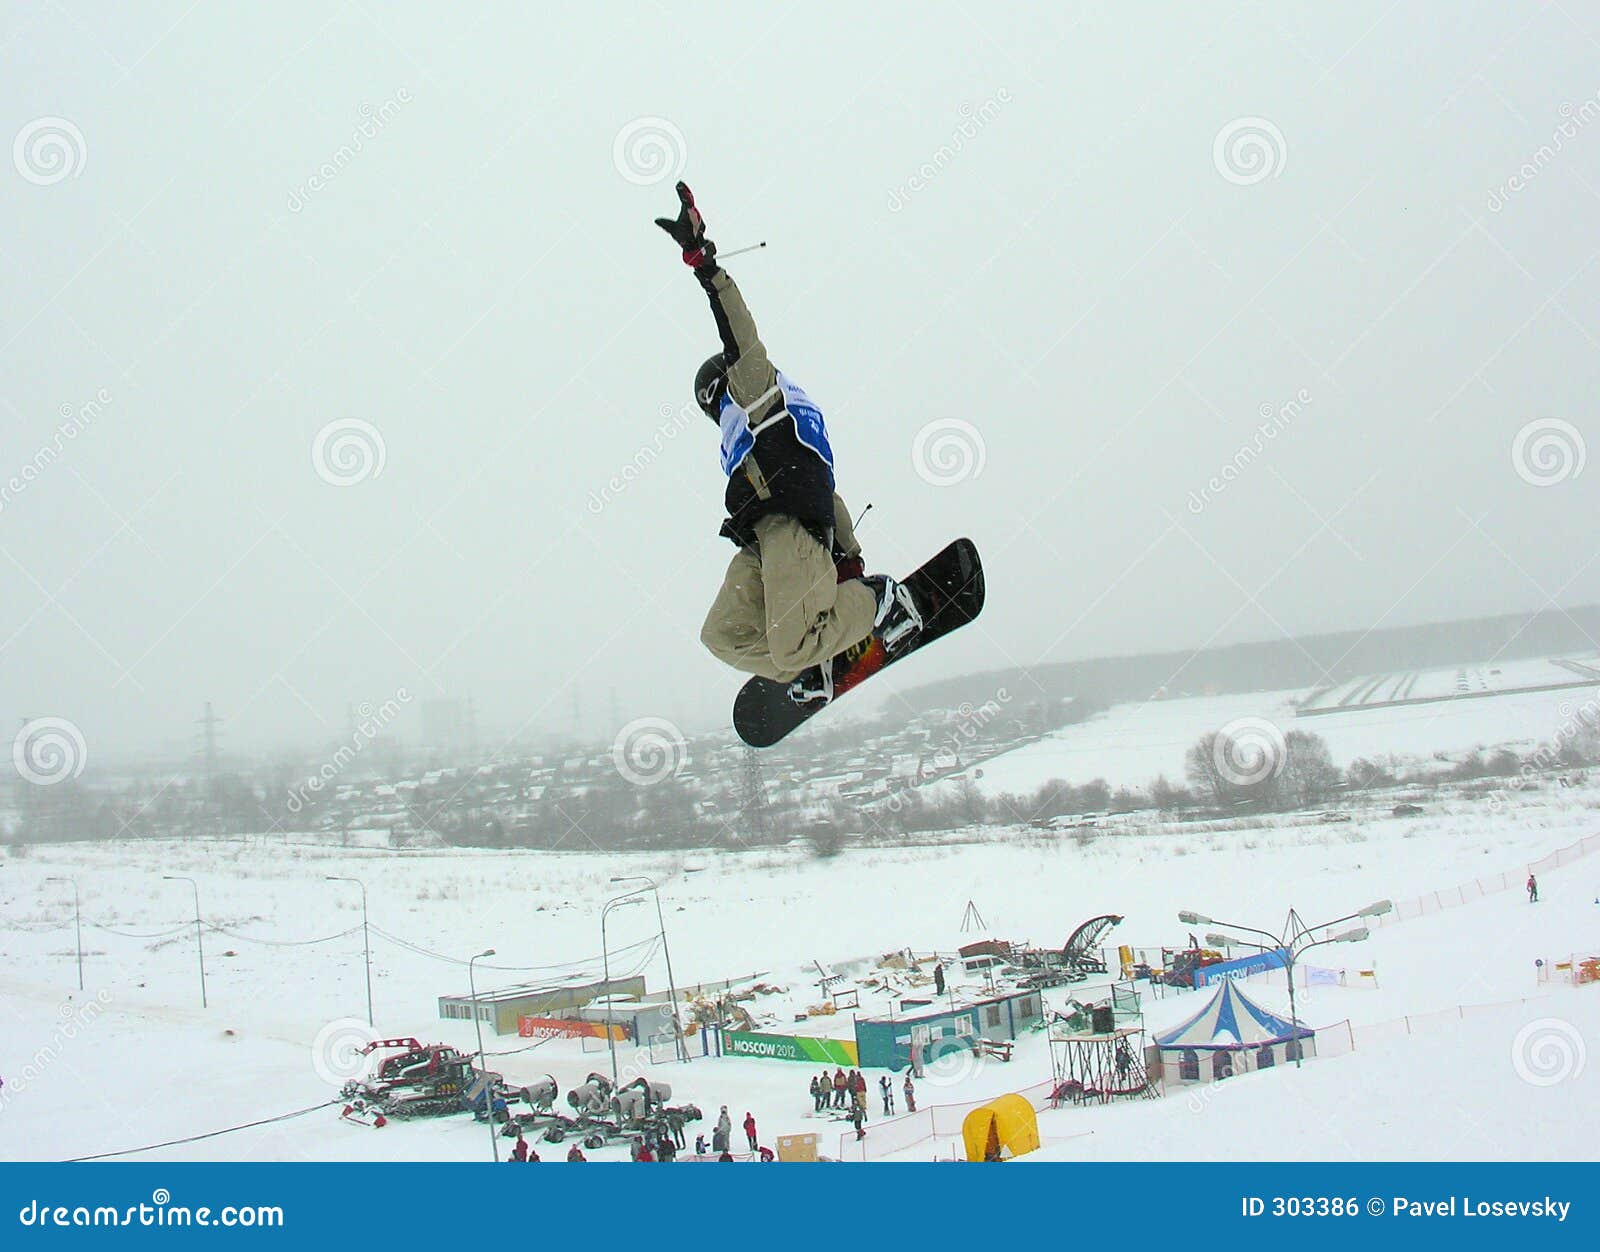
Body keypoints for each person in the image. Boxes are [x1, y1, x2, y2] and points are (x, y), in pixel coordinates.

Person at [655, 182, 922, 707]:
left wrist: (704, 263)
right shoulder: (757, 438)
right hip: (763, 542)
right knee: (723, 635)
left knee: (789, 643)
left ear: (722, 386)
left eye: (712, 401)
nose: (715, 413)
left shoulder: (760, 398)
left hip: (793, 533)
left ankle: (879, 603)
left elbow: (742, 339)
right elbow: (827, 485)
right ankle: (813, 660)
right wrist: (849, 554)